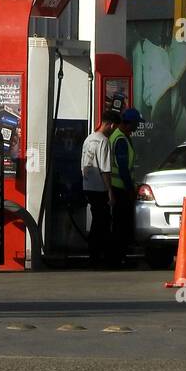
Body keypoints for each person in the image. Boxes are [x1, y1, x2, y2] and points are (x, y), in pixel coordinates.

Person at [81, 112, 115, 268]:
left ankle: (94, 255)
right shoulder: (104, 141)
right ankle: (100, 257)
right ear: (112, 125)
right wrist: (110, 191)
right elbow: (105, 169)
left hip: (88, 185)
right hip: (100, 187)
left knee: (97, 220)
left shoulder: (89, 139)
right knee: (102, 222)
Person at [109, 108, 141, 267]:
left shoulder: (121, 136)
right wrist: (130, 190)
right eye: (136, 124)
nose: (137, 128)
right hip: (119, 189)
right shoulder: (120, 139)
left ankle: (118, 256)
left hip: (119, 188)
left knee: (120, 224)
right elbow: (122, 168)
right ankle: (117, 258)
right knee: (121, 225)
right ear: (130, 123)